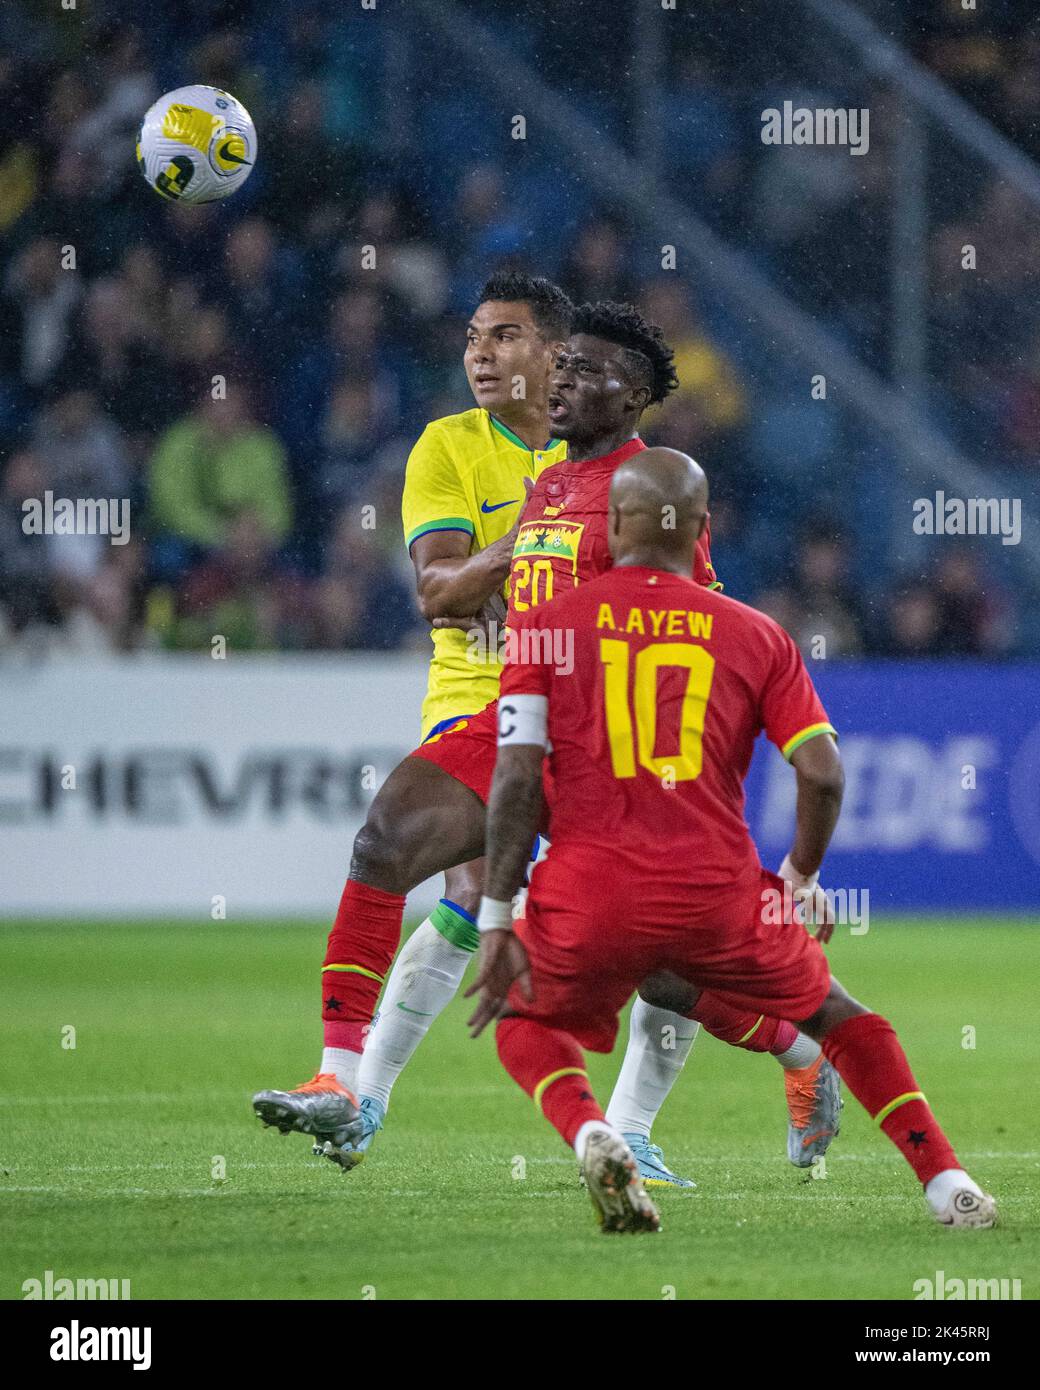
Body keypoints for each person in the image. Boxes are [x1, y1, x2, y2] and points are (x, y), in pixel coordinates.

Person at [253, 302, 835, 1183]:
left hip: (620, 745)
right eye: (557, 371)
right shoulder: (553, 481)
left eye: (581, 374)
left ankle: (792, 1053)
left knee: (668, 971)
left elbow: (696, 620)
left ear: (634, 395)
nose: (559, 386)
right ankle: (340, 1080)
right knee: (384, 840)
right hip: (523, 721)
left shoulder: (657, 487)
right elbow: (523, 582)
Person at [467, 447, 996, 1235]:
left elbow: (514, 780)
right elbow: (821, 773)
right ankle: (946, 1181)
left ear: (609, 526)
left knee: (520, 1019)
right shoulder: (757, 635)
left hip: (589, 887)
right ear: (704, 529)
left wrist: (497, 914)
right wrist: (799, 875)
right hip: (715, 891)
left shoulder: (543, 630)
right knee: (845, 1020)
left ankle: (591, 1130)